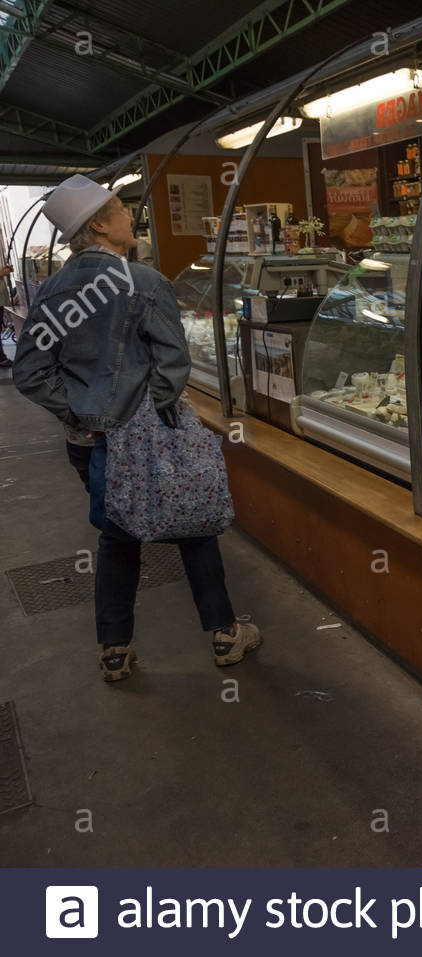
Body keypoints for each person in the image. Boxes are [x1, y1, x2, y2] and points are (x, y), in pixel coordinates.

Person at [12, 175, 260, 682]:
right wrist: (150, 415)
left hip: (88, 443)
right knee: (193, 526)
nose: (130, 218)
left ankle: (115, 649)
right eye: (121, 210)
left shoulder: (53, 290)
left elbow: (29, 372)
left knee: (116, 536)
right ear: (100, 226)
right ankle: (225, 634)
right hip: (148, 439)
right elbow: (172, 365)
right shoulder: (144, 282)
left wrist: (81, 412)